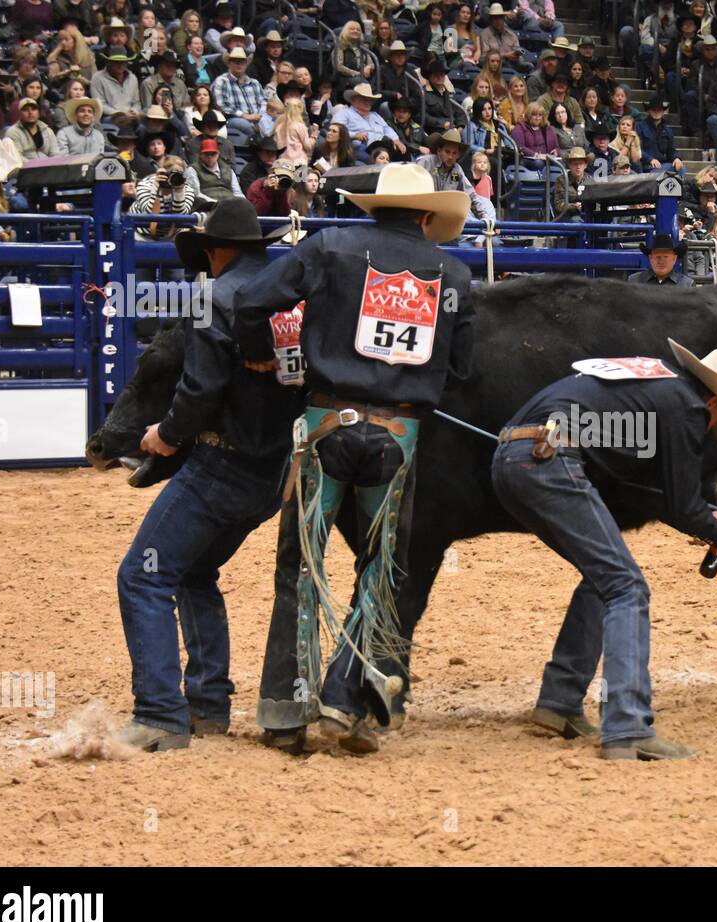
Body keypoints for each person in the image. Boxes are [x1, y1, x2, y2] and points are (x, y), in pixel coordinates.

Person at [233, 164, 475, 755]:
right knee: (383, 569)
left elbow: (250, 300)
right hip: (399, 435)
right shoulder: (455, 274)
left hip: (324, 426)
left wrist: (260, 356)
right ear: (425, 216)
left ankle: (286, 708)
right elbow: (462, 370)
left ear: (375, 208)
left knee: (301, 566)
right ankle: (357, 706)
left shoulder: (328, 247)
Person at [490, 339, 717, 759]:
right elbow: (680, 503)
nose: (711, 427)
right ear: (716, 401)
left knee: (604, 580)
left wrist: (705, 517)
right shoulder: (687, 406)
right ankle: (627, 724)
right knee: (627, 588)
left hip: (516, 458)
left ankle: (559, 703)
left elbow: (664, 499)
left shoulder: (655, 387)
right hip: (551, 462)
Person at [113, 198, 297, 752]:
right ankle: (207, 704)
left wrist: (164, 435)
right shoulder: (291, 300)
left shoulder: (212, 298)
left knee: (142, 576)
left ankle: (161, 715)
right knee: (193, 571)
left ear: (215, 252)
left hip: (222, 464)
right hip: (273, 473)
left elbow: (200, 390)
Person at [418, 127, 497, 221]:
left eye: (454, 153)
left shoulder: (457, 170)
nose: (451, 156)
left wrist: (484, 216)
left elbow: (470, 194)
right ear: (439, 151)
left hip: (447, 212)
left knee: (486, 203)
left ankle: (488, 226)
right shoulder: (426, 162)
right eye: (447, 152)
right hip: (425, 210)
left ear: (458, 155)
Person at [212, 47, 266, 143]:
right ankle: (258, 144)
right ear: (229, 63)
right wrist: (245, 116)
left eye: (242, 62)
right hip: (233, 119)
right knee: (245, 124)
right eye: (236, 61)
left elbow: (263, 102)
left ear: (246, 64)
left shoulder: (254, 83)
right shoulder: (222, 81)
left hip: (258, 118)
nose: (239, 64)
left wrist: (260, 116)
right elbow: (222, 105)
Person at [185, 136, 243, 202]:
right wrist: (216, 203)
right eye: (206, 154)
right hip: (206, 207)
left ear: (218, 154)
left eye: (213, 154)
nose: (210, 157)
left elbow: (238, 193)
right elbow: (196, 194)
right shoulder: (193, 170)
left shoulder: (228, 170)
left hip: (230, 205)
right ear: (200, 154)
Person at [627, 232, 695, 286]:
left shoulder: (687, 285)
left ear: (674, 258)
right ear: (650, 258)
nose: (661, 261)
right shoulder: (634, 281)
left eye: (666, 257)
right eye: (657, 257)